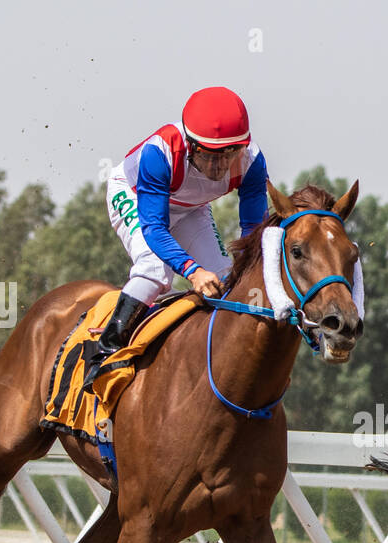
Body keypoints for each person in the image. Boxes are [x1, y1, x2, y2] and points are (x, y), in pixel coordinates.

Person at [88, 86, 268, 380]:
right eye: (212, 156)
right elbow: (155, 228)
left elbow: (253, 233)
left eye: (230, 155)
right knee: (155, 268)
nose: (220, 167)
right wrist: (193, 271)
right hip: (135, 196)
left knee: (225, 277)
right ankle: (105, 352)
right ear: (192, 145)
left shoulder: (252, 162)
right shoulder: (160, 152)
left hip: (191, 208)